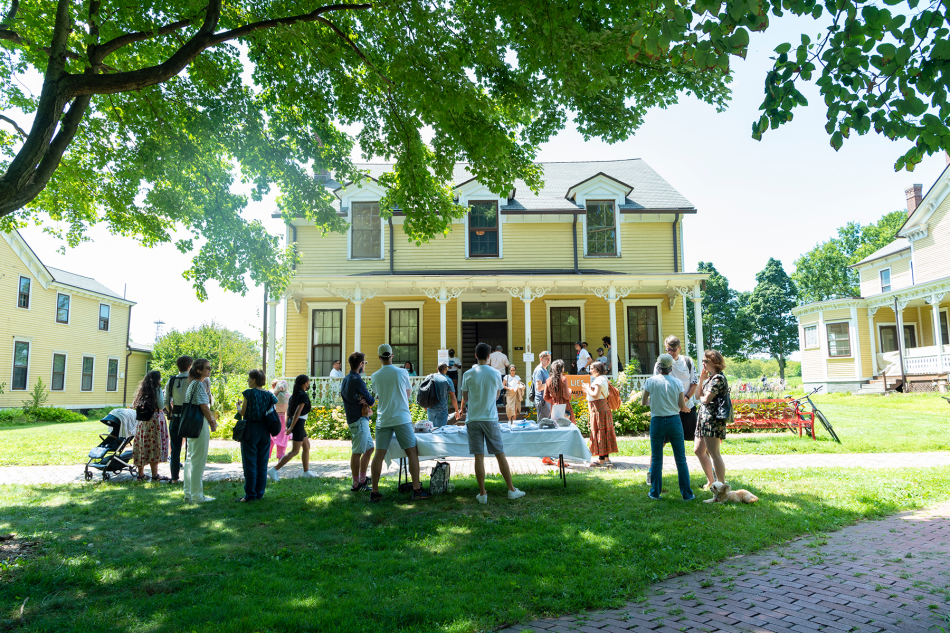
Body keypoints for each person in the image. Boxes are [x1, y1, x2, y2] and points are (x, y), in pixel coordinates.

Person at [459, 342, 526, 504]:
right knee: (499, 453)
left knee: (478, 457)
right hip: (489, 418)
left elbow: (465, 398)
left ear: (475, 355)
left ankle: (482, 493)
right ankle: (511, 489)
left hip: (473, 419)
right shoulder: (496, 374)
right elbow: (497, 397)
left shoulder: (468, 374)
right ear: (489, 357)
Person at [369, 344, 431, 501]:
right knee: (412, 451)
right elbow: (408, 394)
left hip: (383, 419)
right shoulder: (403, 372)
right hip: (401, 418)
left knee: (379, 454)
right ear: (392, 355)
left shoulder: (375, 376)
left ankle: (374, 492)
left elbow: (377, 394)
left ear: (379, 358)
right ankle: (416, 490)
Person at [647, 335, 699, 486]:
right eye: (669, 349)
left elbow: (694, 383)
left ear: (679, 348)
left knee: (700, 442)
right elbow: (658, 384)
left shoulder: (688, 361)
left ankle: (712, 473)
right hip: (668, 411)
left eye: (674, 350)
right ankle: (651, 474)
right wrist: (676, 404)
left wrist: (685, 401)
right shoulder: (660, 362)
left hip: (687, 409)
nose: (671, 352)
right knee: (659, 445)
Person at [642, 354, 694, 501]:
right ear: (671, 368)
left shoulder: (650, 381)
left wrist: (654, 404)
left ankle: (655, 493)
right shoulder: (677, 382)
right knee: (681, 459)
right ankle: (687, 494)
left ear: (657, 367)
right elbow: (681, 405)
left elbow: (643, 402)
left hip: (657, 421)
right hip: (674, 421)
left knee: (657, 459)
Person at [238, 369, 278, 502]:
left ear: (254, 380)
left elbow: (243, 412)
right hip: (265, 429)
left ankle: (250, 495)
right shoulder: (269, 394)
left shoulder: (248, 393)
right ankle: (260, 492)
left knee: (250, 463)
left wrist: (238, 407)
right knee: (262, 463)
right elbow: (275, 403)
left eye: (249, 378)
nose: (248, 381)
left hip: (251, 428)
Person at [268, 375, 316, 481]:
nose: (308, 385)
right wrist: (291, 428)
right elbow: (297, 413)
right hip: (298, 424)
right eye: (308, 383)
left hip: (296, 424)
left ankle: (306, 471)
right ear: (304, 384)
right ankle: (274, 470)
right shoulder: (303, 395)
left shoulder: (294, 395)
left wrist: (287, 425)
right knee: (295, 451)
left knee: (306, 446)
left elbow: (288, 413)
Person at [340, 352, 376, 491]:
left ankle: (362, 478)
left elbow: (348, 397)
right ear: (360, 364)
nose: (365, 365)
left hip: (356, 418)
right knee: (357, 452)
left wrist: (358, 399)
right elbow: (371, 400)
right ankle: (356, 485)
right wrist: (365, 399)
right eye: (364, 363)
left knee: (369, 448)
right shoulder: (357, 379)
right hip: (358, 420)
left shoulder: (347, 378)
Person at [182, 359, 217, 503]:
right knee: (198, 461)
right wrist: (212, 423)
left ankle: (189, 493)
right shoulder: (198, 385)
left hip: (192, 424)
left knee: (191, 459)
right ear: (198, 370)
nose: (209, 370)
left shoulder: (192, 384)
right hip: (199, 425)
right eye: (207, 368)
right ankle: (197, 495)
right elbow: (204, 407)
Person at [695, 350, 729, 489]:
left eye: (706, 361)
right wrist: (701, 379)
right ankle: (710, 481)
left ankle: (721, 484)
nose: (703, 363)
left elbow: (706, 399)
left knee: (714, 453)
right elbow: (698, 396)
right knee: (698, 450)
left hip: (713, 420)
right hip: (703, 418)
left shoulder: (718, 379)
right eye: (703, 361)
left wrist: (703, 398)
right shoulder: (709, 378)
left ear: (715, 363)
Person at [132, 370, 170, 482]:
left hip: (142, 422)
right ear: (157, 379)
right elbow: (161, 405)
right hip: (155, 420)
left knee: (142, 445)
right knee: (154, 445)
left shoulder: (142, 390)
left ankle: (140, 474)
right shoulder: (157, 389)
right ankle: (154, 474)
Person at [583, 361, 618, 468]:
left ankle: (601, 460)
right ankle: (606, 458)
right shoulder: (603, 378)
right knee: (604, 432)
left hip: (599, 410)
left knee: (600, 432)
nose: (590, 370)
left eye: (592, 368)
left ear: (597, 369)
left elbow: (596, 395)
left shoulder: (599, 380)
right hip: (602, 409)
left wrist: (587, 388)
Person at [164, 355, 192, 483]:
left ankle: (174, 477)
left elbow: (165, 401)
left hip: (175, 417)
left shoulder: (171, 381)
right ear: (190, 366)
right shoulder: (192, 380)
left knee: (175, 448)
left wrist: (171, 413)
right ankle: (188, 476)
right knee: (189, 448)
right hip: (190, 416)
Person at [426, 363, 459, 428]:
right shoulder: (447, 380)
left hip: (430, 409)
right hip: (442, 410)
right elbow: (453, 397)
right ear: (446, 370)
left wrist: (425, 405)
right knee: (440, 432)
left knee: (431, 430)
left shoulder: (429, 377)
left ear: (437, 369)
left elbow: (425, 392)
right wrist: (457, 410)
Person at [543, 359, 576, 424]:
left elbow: (545, 397)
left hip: (554, 407)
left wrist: (553, 399)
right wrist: (569, 392)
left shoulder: (548, 380)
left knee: (556, 427)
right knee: (566, 427)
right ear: (561, 368)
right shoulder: (563, 379)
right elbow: (566, 396)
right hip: (564, 406)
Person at [269, 379, 290, 460]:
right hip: (284, 417)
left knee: (271, 437)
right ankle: (281, 456)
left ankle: (267, 455)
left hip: (274, 416)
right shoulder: (288, 395)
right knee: (283, 438)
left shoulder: (271, 393)